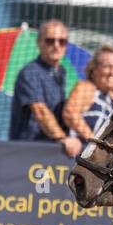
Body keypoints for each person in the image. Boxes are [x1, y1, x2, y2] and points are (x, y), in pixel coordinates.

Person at [8, 20, 80, 156]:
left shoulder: (62, 72)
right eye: (50, 41)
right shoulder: (30, 72)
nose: (56, 45)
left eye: (62, 41)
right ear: (39, 43)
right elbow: (40, 111)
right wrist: (62, 138)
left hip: (53, 149)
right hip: (28, 150)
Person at [64, 45, 113, 140]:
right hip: (80, 150)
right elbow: (70, 114)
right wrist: (94, 141)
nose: (112, 72)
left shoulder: (111, 98)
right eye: (107, 66)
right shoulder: (87, 87)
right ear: (94, 69)